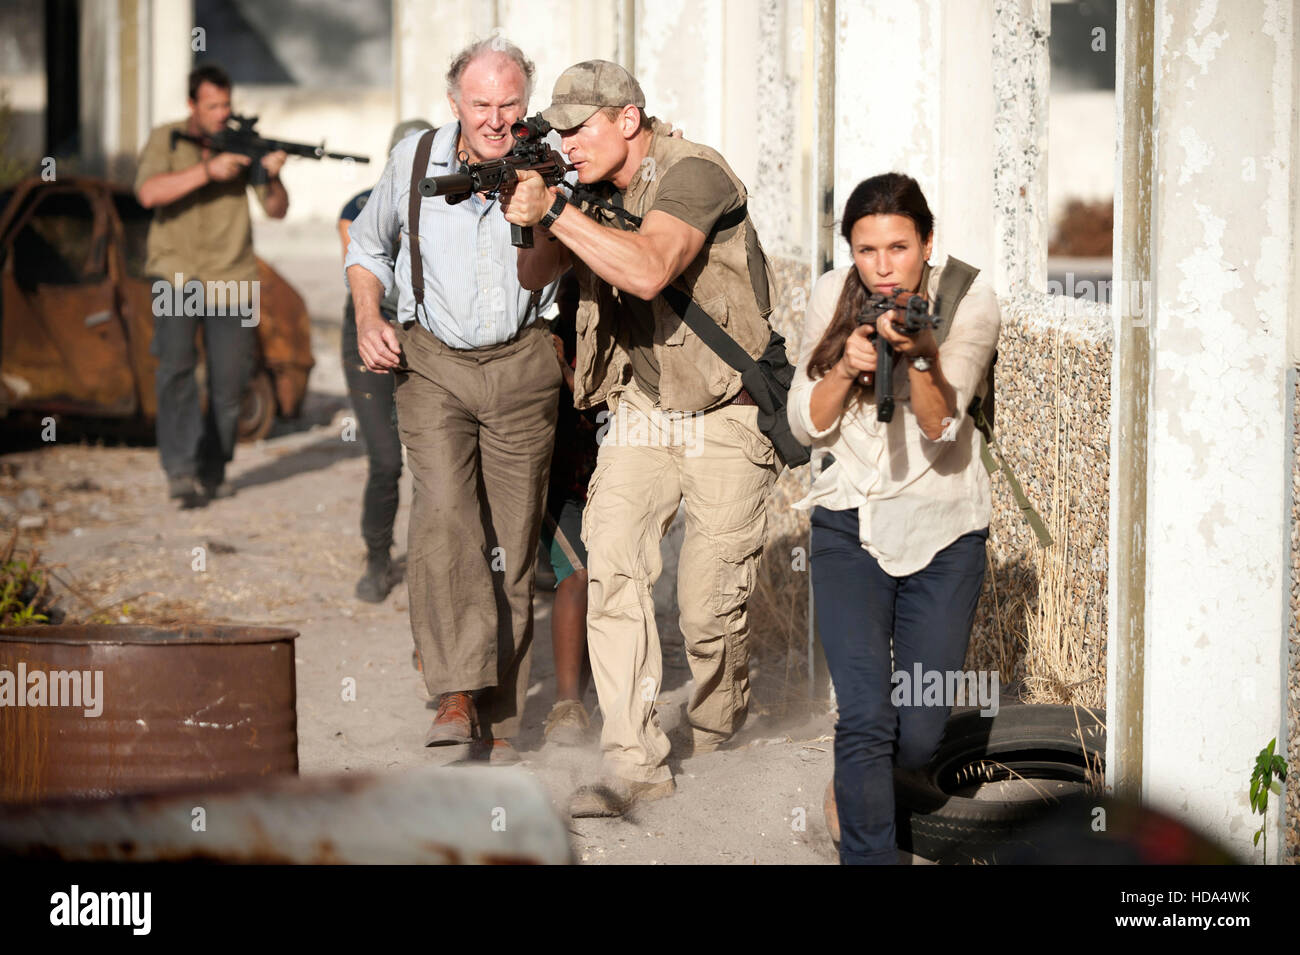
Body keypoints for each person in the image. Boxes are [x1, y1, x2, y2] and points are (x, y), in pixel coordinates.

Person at [502, 60, 781, 815]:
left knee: (703, 609)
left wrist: (555, 208)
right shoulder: (586, 190)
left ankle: (721, 713)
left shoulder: (696, 174)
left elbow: (651, 269)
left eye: (578, 126)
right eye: (556, 130)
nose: (566, 141)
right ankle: (634, 760)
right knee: (613, 562)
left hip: (726, 410)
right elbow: (534, 275)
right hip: (641, 406)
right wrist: (530, 209)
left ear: (628, 119)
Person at [344, 39, 563, 763]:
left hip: (524, 360)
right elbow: (367, 248)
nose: (496, 120)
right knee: (445, 517)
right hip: (433, 359)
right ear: (455, 104)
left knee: (515, 539)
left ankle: (499, 710)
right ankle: (455, 691)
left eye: (510, 105)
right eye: (481, 105)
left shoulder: (549, 160)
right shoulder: (412, 161)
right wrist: (370, 317)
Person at [786, 172, 1001, 864]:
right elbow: (804, 423)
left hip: (943, 532)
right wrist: (846, 367)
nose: (882, 266)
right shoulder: (830, 293)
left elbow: (941, 428)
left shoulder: (968, 299)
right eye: (866, 249)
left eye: (899, 248)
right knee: (866, 717)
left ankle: (856, 783)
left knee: (916, 736)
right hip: (849, 523)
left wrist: (921, 356)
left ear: (928, 243)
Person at [135, 63, 289, 508]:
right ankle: (181, 472)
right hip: (175, 273)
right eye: (212, 105)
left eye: (227, 104)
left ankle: (214, 468)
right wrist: (208, 172)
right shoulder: (167, 138)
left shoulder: (246, 144)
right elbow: (148, 194)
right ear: (191, 105)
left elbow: (276, 210)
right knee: (176, 369)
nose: (222, 113)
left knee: (232, 381)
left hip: (233, 279)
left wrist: (272, 173)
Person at [337, 119, 434, 604]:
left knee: (435, 464)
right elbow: (361, 261)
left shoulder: (445, 198)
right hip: (375, 330)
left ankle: (435, 561)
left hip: (425, 336)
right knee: (385, 459)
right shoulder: (361, 206)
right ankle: (377, 556)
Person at [538, 273, 599, 745]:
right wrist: (563, 371)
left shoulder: (626, 340)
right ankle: (566, 704)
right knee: (576, 575)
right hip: (561, 487)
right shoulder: (552, 339)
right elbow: (586, 404)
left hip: (608, 485)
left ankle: (591, 694)